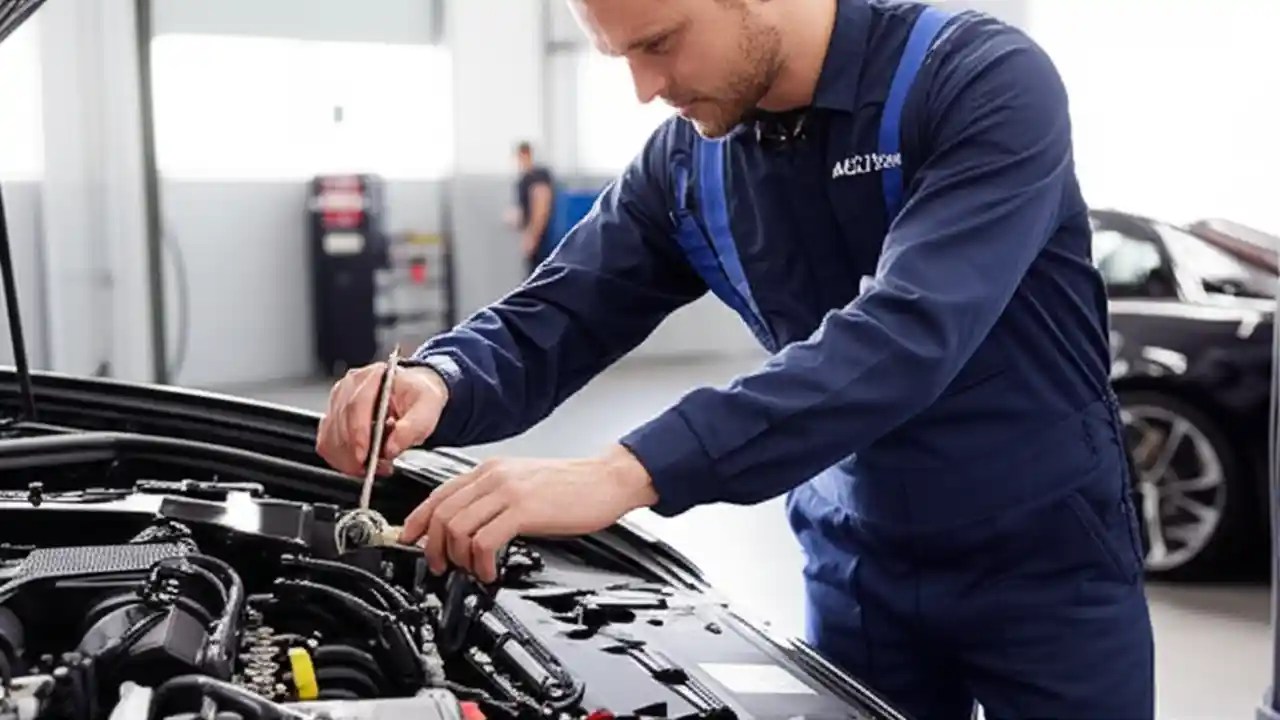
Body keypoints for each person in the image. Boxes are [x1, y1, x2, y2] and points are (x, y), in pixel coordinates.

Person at [316, 0, 1155, 718]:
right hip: (857, 567)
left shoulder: (977, 79)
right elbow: (563, 308)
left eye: (658, 43)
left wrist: (622, 472)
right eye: (621, 55)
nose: (646, 89)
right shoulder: (687, 161)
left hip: (1044, 563)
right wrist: (440, 377)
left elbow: (908, 333)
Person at [512, 141, 556, 274]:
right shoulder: (525, 179)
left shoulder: (537, 176)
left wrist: (533, 237)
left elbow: (541, 206)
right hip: (536, 237)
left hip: (543, 240)